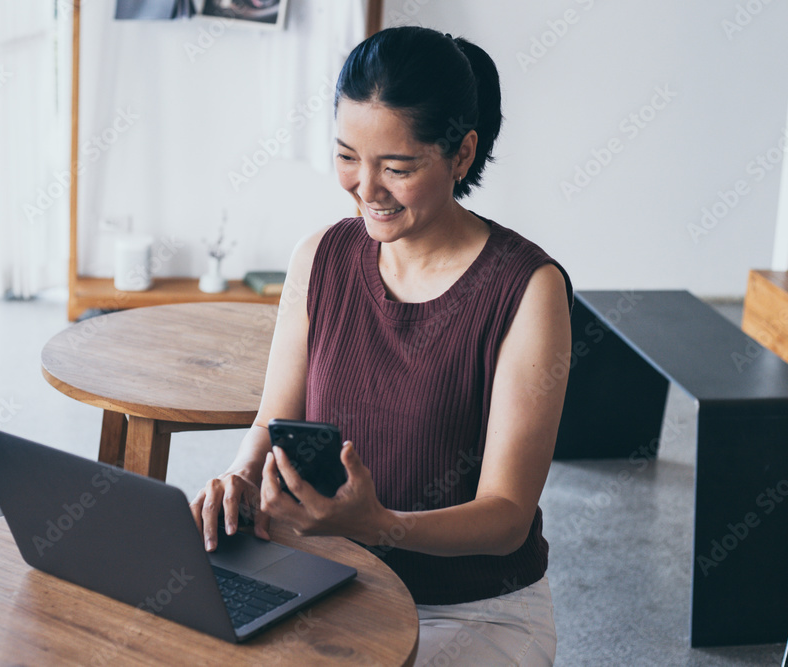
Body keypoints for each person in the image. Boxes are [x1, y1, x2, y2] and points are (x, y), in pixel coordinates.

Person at [191, 25, 573, 666]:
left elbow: (507, 516)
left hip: (467, 609)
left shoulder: (529, 288)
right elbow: (271, 419)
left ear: (461, 153)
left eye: (397, 167)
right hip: (325, 581)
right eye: (347, 156)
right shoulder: (320, 256)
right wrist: (239, 475)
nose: (365, 188)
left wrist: (378, 524)